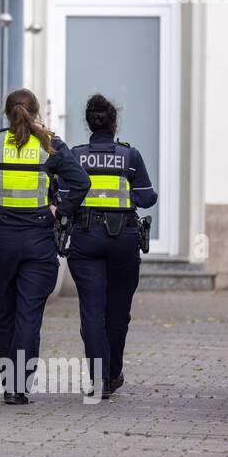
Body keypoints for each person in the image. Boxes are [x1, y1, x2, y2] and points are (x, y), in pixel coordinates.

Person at [0, 89, 90, 404]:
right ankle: (18, 385)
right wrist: (59, 208)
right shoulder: (50, 144)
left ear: (6, 113)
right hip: (37, 241)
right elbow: (81, 182)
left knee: (6, 309)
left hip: (4, 240)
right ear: (35, 112)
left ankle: (9, 382)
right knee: (28, 314)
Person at [67, 94, 158, 399]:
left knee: (92, 312)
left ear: (88, 122)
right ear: (114, 121)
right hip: (123, 240)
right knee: (118, 312)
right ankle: (113, 373)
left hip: (85, 237)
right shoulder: (129, 157)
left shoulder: (76, 155)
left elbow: (62, 195)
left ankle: (98, 378)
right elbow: (147, 198)